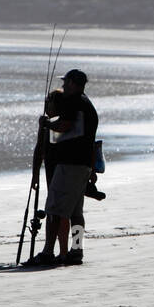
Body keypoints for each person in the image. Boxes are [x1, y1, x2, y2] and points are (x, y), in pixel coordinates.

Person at [25, 69, 99, 266]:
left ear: (74, 83)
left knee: (55, 210)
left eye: (67, 83)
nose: (64, 86)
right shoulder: (86, 104)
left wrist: (47, 124)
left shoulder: (74, 102)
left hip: (70, 164)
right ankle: (76, 250)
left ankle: (49, 251)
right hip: (80, 166)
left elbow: (64, 126)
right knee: (75, 213)